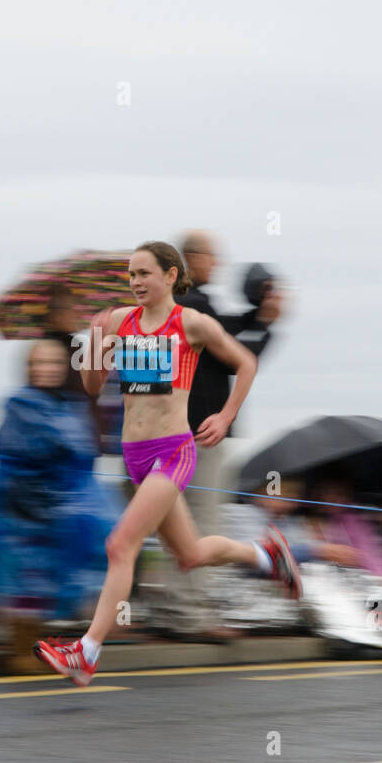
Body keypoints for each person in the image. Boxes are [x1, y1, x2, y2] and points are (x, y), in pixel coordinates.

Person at [34, 241, 301, 685]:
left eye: (145, 274)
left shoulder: (191, 323)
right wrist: (98, 346)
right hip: (134, 457)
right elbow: (91, 385)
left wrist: (225, 414)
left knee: (120, 546)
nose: (136, 283)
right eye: (131, 275)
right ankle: (267, 554)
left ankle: (87, 651)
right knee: (191, 554)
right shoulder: (119, 321)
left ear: (171, 276)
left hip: (172, 453)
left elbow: (245, 362)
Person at [161, 231, 282, 638]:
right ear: (192, 259)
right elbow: (235, 360)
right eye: (213, 256)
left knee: (172, 523)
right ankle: (193, 616)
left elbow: (225, 328)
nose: (219, 264)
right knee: (202, 522)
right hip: (203, 431)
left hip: (171, 429)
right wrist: (264, 325)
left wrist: (259, 319)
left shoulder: (178, 305)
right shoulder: (194, 304)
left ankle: (172, 612)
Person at [0, 341, 117, 666]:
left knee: (47, 582)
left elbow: (84, 451)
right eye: (39, 362)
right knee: (24, 582)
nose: (47, 369)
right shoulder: (18, 405)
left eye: (54, 362)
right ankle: (19, 654)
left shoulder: (71, 406)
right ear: (29, 367)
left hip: (61, 506)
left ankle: (33, 651)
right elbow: (8, 448)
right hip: (24, 505)